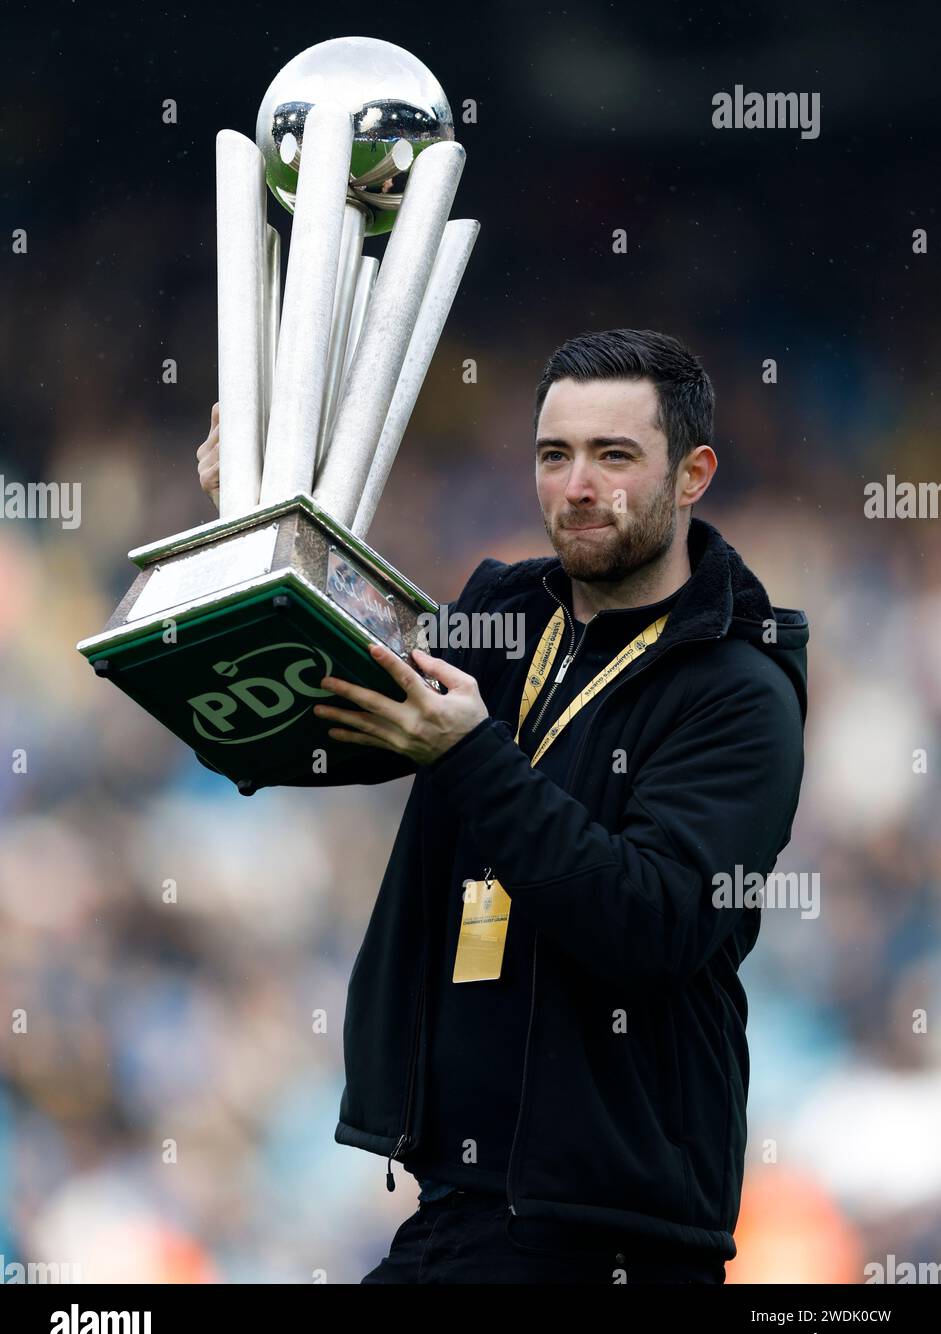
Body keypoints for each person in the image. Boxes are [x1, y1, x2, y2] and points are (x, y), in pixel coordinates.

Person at [195, 328, 809, 1284]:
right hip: (462, 1211)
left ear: (692, 474)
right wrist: (251, 533)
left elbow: (649, 923)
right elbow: (307, 722)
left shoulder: (738, 689)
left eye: (614, 456)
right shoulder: (505, 616)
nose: (576, 485)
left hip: (612, 1241)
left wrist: (472, 755)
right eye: (553, 454)